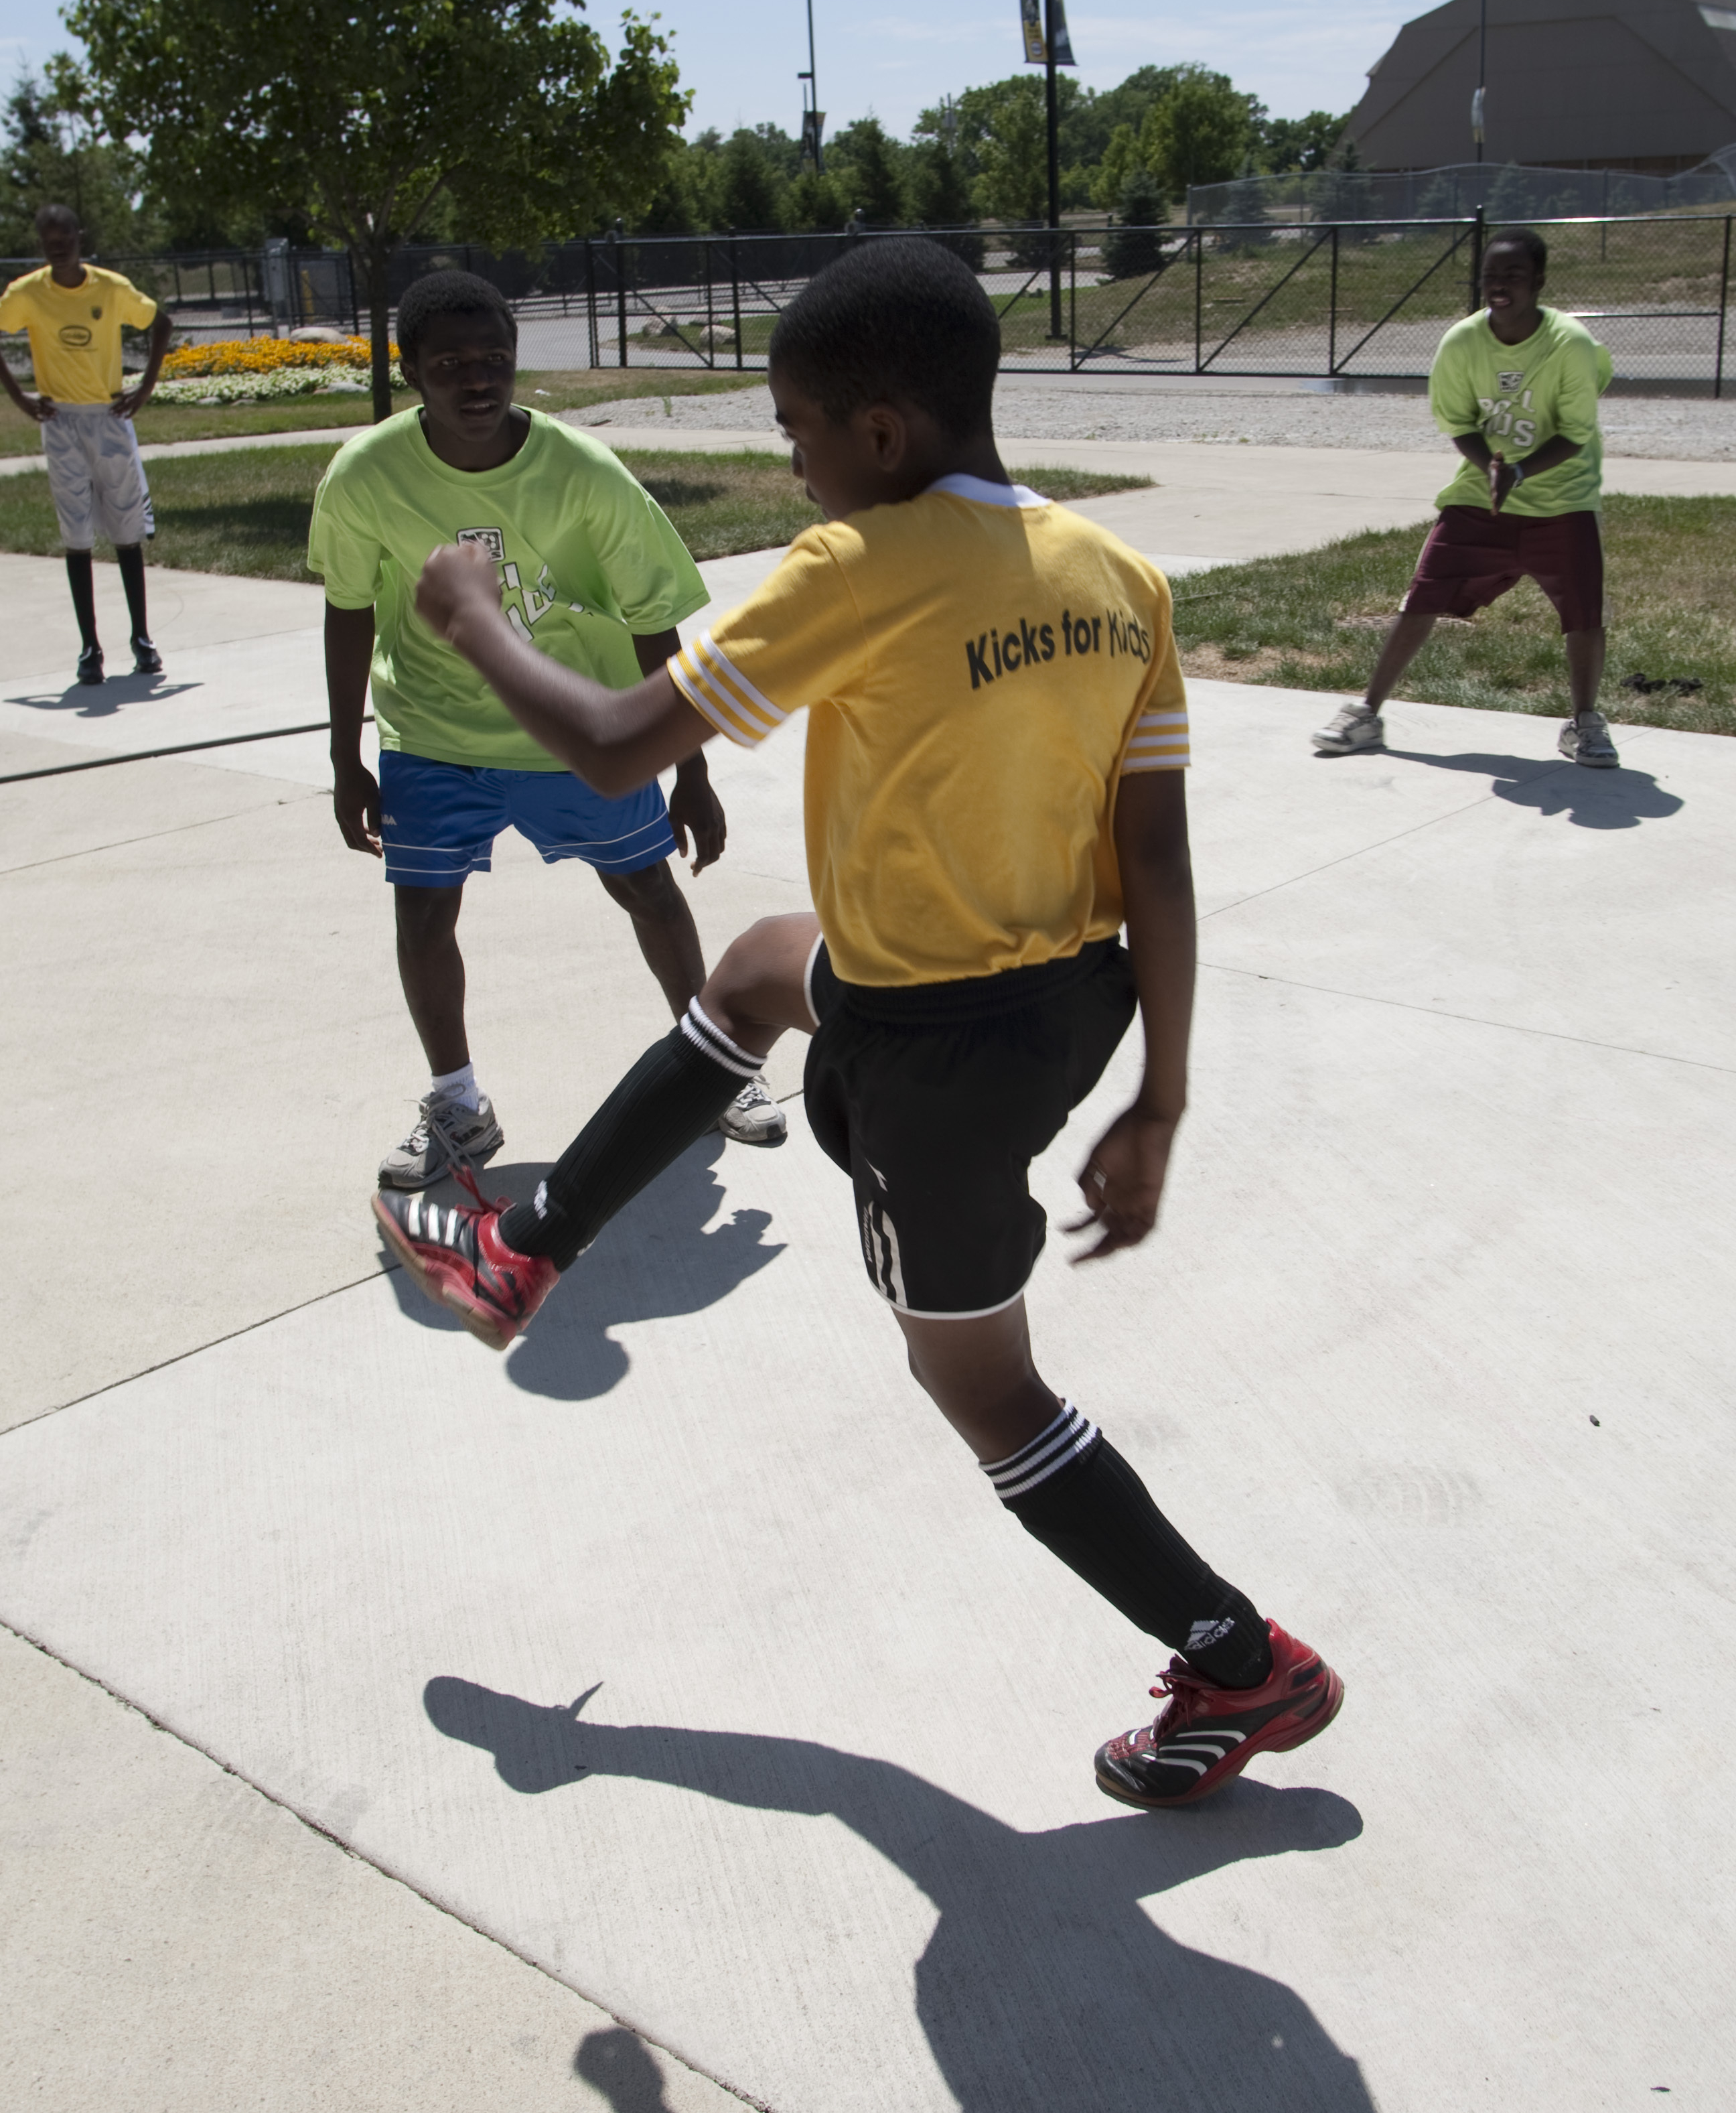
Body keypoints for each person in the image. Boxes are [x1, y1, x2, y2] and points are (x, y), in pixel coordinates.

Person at [378, 238, 1343, 1812]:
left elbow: (618, 748)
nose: (796, 462)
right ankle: (526, 1247)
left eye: (797, 431)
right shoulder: (1117, 576)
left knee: (985, 1392)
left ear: (880, 433)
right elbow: (1157, 860)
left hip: (936, 1062)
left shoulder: (861, 566)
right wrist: (1158, 1097)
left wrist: (473, 611)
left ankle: (1239, 1659)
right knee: (763, 959)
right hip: (1068, 1003)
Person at [306, 268, 784, 1192]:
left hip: (577, 731)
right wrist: (344, 757)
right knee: (422, 910)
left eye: (496, 359)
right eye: (451, 363)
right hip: (433, 733)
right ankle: (457, 1104)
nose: (479, 379)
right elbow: (348, 608)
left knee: (646, 888)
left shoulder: (581, 472)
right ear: (409, 370)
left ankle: (712, 1068)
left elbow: (655, 622)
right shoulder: (366, 476)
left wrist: (691, 770)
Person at [1313, 225, 1617, 767]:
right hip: (1481, 499)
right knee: (1422, 597)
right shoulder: (1462, 341)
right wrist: (1494, 468)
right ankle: (1366, 714)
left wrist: (1520, 471)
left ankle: (1585, 723)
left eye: (1514, 276)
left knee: (1584, 614)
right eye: (1491, 276)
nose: (1500, 286)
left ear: (1539, 282)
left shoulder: (1570, 345)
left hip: (1561, 500)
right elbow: (1458, 421)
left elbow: (1574, 434)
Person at [0, 202, 172, 685]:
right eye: (50, 242)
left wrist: (144, 388)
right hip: (60, 421)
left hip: (109, 416)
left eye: (66, 239)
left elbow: (162, 323)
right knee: (75, 533)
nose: (59, 247)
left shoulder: (110, 289)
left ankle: (141, 638)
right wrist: (19, 396)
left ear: (80, 235)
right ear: (42, 245)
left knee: (126, 528)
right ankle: (90, 647)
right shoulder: (28, 293)